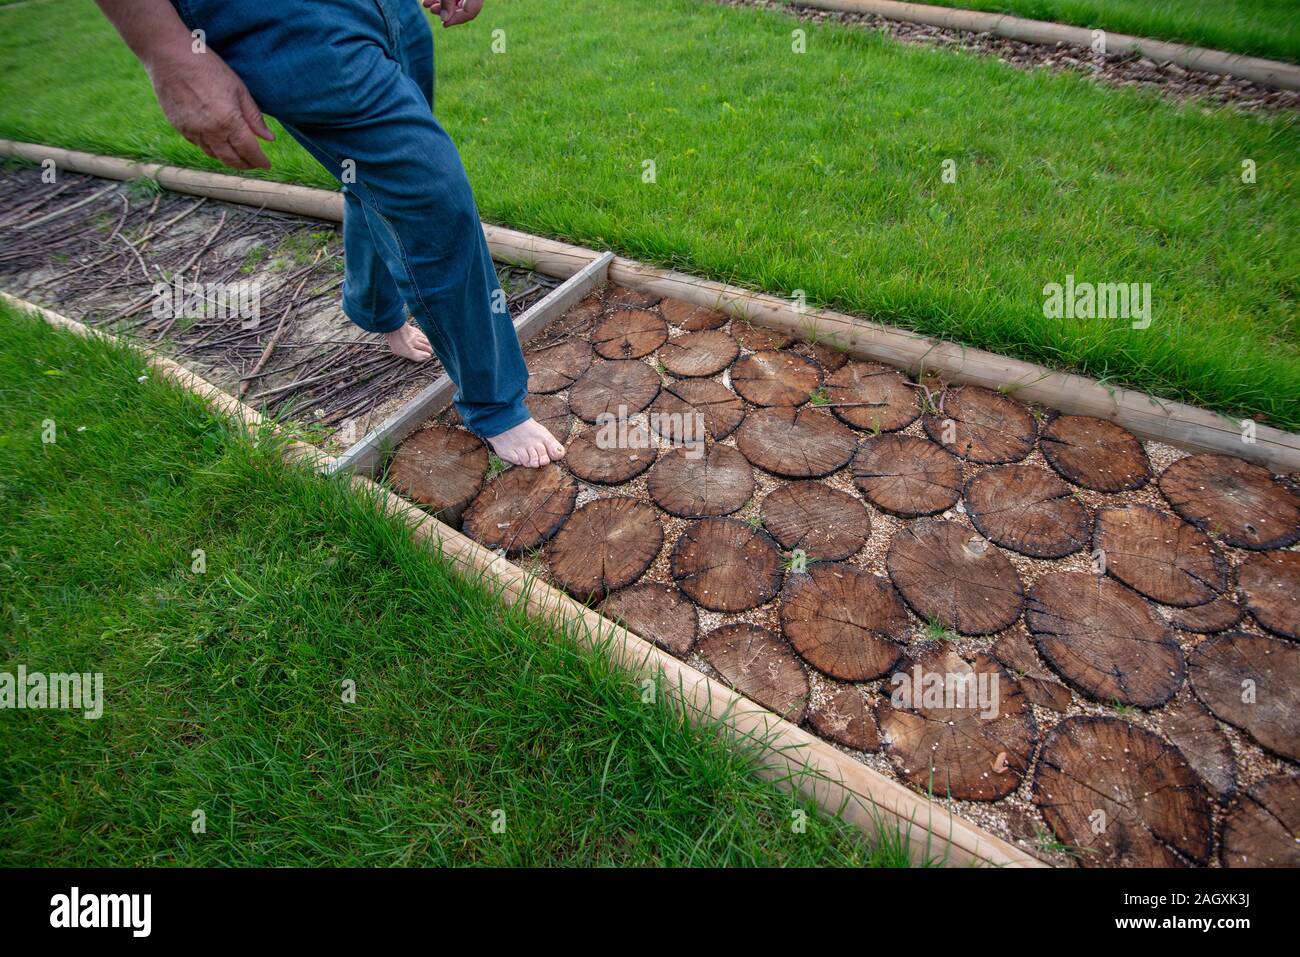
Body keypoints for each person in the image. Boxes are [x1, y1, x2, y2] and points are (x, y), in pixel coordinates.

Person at [94, 0, 565, 468]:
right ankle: (496, 405)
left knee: (381, 180)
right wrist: (168, 51)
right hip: (286, 19)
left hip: (391, 9)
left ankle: (376, 310)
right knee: (429, 192)